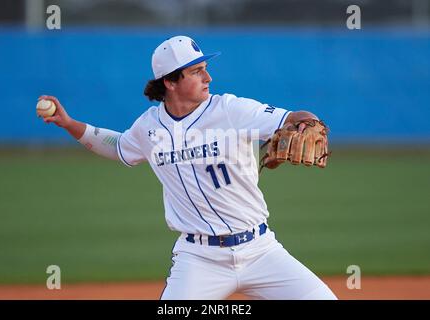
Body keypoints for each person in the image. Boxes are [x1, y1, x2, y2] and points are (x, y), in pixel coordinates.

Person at [40, 35, 337, 300]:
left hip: (260, 250)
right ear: (170, 81)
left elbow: (292, 116)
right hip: (199, 258)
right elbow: (117, 147)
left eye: (205, 68)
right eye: (196, 71)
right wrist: (69, 124)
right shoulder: (148, 127)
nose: (208, 76)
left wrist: (306, 122)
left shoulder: (231, 110)